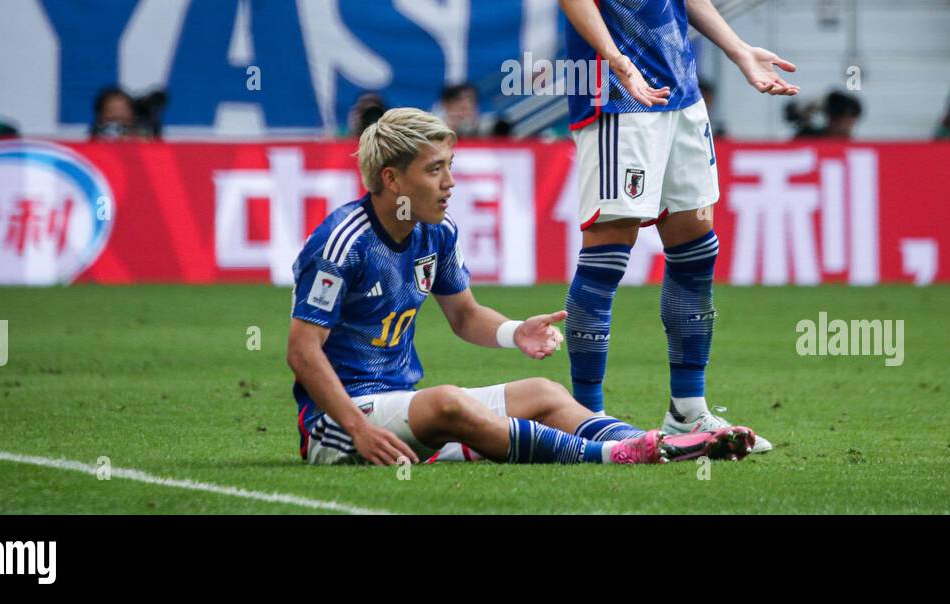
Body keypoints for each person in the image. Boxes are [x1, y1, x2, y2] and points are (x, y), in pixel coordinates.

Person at [557, 0, 799, 451]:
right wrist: (616, 58)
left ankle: (688, 411)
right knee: (611, 247)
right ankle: (585, 423)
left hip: (679, 90)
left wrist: (737, 52)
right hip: (618, 92)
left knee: (695, 242)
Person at [287, 106, 757, 466]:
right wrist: (356, 427)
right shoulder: (342, 242)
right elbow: (302, 350)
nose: (450, 182)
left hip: (403, 407)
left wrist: (516, 332)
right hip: (339, 423)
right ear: (391, 179)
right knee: (448, 400)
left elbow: (465, 315)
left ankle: (664, 443)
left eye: (449, 165)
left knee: (542, 392)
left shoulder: (437, 232)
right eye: (435, 170)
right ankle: (612, 456)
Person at [789, 90, 863, 139]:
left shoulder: (855, 148)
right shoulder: (808, 138)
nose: (850, 122)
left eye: (853, 116)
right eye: (847, 116)